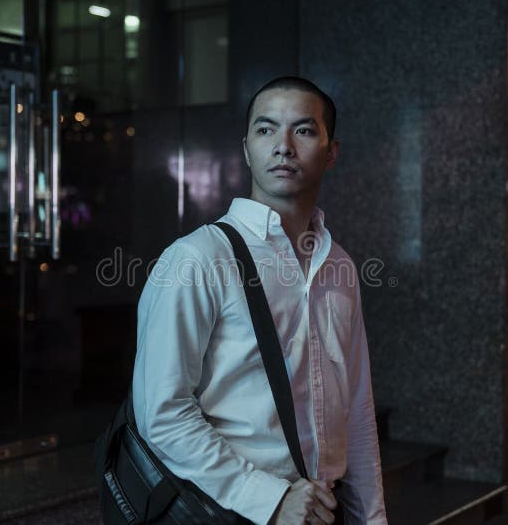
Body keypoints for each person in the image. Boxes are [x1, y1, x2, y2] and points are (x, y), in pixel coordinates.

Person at [131, 77, 387, 524]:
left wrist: (372, 518)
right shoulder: (197, 258)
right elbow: (163, 413)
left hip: (321, 511)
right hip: (226, 509)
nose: (283, 146)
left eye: (303, 130)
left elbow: (357, 408)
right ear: (247, 148)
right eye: (266, 130)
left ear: (332, 152)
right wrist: (267, 498)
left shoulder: (340, 266)